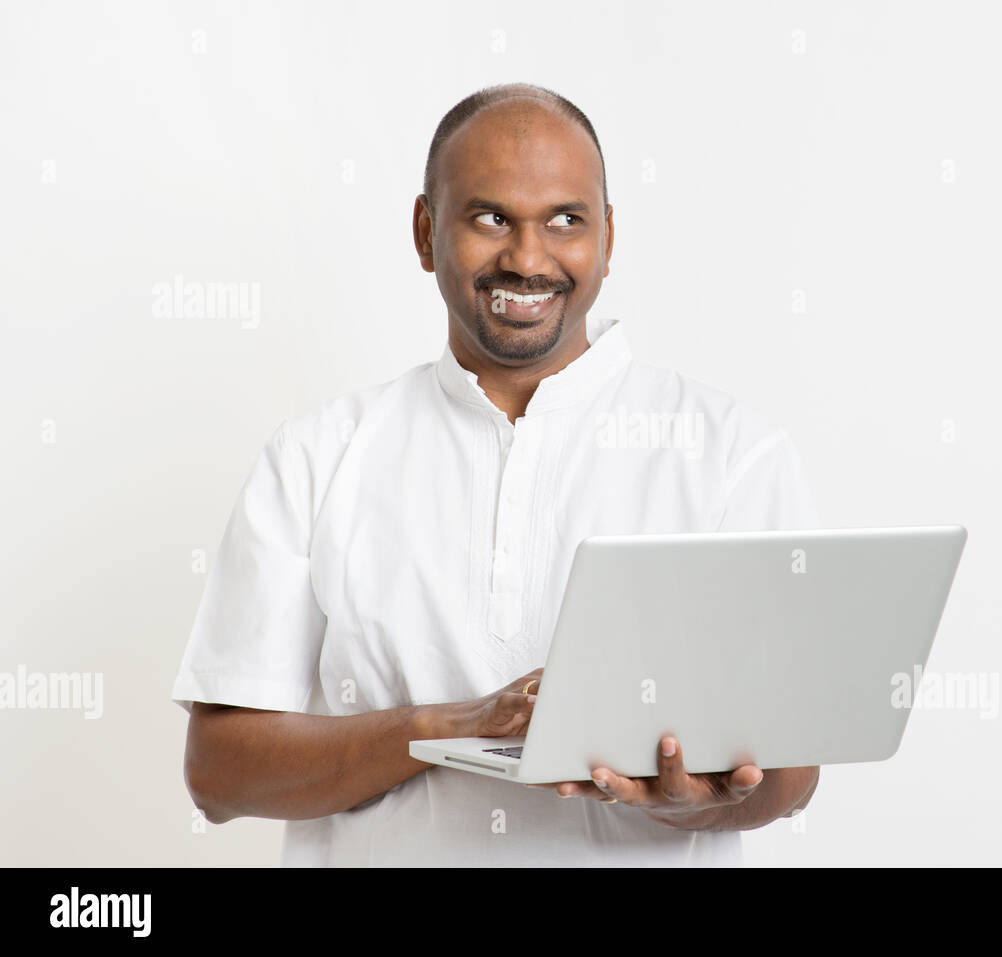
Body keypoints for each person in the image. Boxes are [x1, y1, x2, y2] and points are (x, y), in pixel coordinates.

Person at [173, 82, 820, 866]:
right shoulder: (316, 456)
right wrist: (448, 727)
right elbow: (220, 771)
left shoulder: (731, 453)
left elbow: (790, 774)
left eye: (564, 221)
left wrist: (692, 806)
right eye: (490, 218)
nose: (527, 257)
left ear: (608, 238)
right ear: (424, 232)